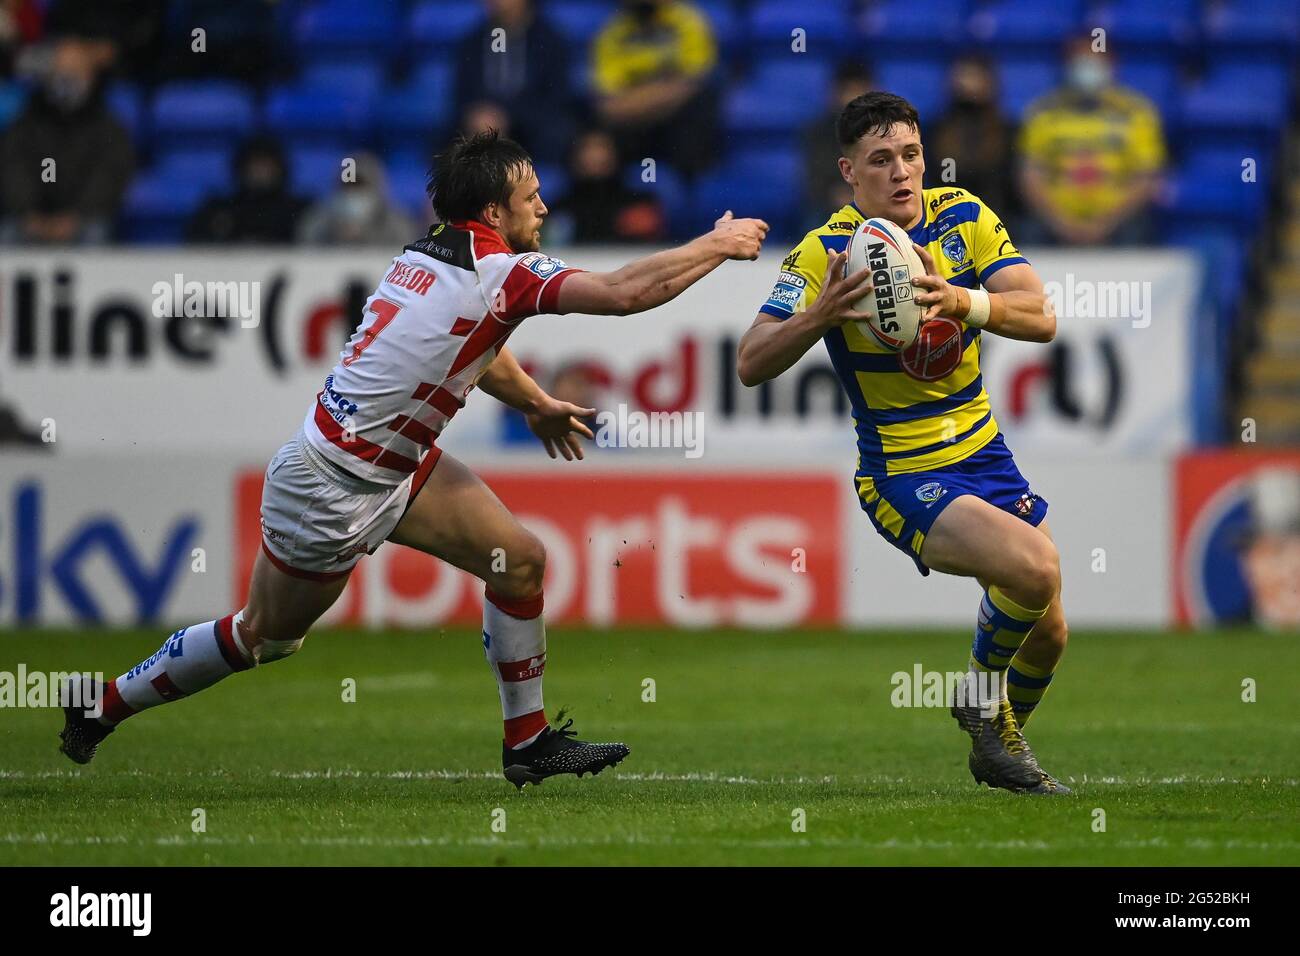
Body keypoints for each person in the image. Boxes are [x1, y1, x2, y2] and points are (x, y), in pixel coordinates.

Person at [59, 129, 768, 789]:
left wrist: (535, 402)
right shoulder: (499, 270)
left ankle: (526, 743)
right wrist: (715, 244)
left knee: (519, 561)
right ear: (493, 212)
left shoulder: (429, 253)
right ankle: (103, 703)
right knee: (263, 639)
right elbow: (622, 294)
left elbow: (476, 347)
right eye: (531, 197)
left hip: (391, 466)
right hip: (329, 488)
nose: (544, 207)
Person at [736, 92, 1070, 795]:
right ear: (848, 172)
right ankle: (980, 701)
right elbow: (751, 361)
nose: (901, 172)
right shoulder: (824, 251)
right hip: (903, 471)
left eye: (911, 155)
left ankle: (997, 742)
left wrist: (962, 300)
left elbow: (1041, 316)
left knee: (1048, 633)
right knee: (1035, 570)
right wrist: (819, 315)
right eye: (881, 160)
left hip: (985, 453)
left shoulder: (964, 217)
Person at [1017, 37, 1166, 246]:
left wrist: (1106, 223)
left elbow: (1145, 178)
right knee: (1026, 233)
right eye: (1080, 60)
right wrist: (1061, 223)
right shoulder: (1042, 112)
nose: (1087, 67)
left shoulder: (1136, 113)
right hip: (1054, 222)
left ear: (1111, 64)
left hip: (1119, 223)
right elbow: (1030, 176)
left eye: (1095, 60)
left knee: (1138, 232)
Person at [0, 35, 133, 244]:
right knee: (7, 234)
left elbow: (109, 176)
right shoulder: (27, 123)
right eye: (60, 73)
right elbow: (12, 168)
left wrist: (77, 216)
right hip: (29, 221)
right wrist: (28, 213)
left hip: (84, 220)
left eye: (74, 73)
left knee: (95, 234)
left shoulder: (107, 127)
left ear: (90, 76)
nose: (66, 80)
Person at [591, 0, 719, 177]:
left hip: (677, 114)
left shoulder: (688, 20)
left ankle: (690, 184)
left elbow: (693, 81)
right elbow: (610, 102)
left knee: (702, 103)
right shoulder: (613, 32)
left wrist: (642, 99)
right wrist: (661, 92)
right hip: (635, 121)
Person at [453, 0, 575, 166]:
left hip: (531, 129)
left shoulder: (551, 41)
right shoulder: (472, 42)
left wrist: (507, 116)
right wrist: (478, 114)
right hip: (481, 125)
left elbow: (555, 99)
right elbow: (462, 96)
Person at [925, 55, 1017, 223]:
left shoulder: (1006, 130)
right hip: (948, 213)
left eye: (975, 76)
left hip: (998, 214)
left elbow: (1006, 182)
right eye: (964, 76)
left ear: (990, 82)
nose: (968, 85)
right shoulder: (938, 130)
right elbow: (943, 177)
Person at [186, 135, 307, 244]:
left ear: (280, 168)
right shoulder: (217, 210)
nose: (260, 171)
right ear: (241, 168)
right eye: (255, 164)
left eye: (267, 164)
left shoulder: (299, 212)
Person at [553, 127, 664, 243]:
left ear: (616, 154)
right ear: (573, 156)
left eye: (601, 147)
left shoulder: (639, 206)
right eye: (587, 148)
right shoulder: (557, 209)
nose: (595, 155)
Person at [801, 61, 873, 227]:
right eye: (849, 91)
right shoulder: (819, 132)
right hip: (829, 204)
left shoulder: (885, 129)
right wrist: (835, 193)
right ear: (836, 93)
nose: (854, 98)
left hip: (876, 200)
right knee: (813, 218)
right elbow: (814, 177)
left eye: (860, 90)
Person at [296, 152, 416, 246]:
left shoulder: (397, 225)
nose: (352, 193)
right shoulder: (318, 222)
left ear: (376, 188)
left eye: (359, 186)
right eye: (347, 186)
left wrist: (366, 235)